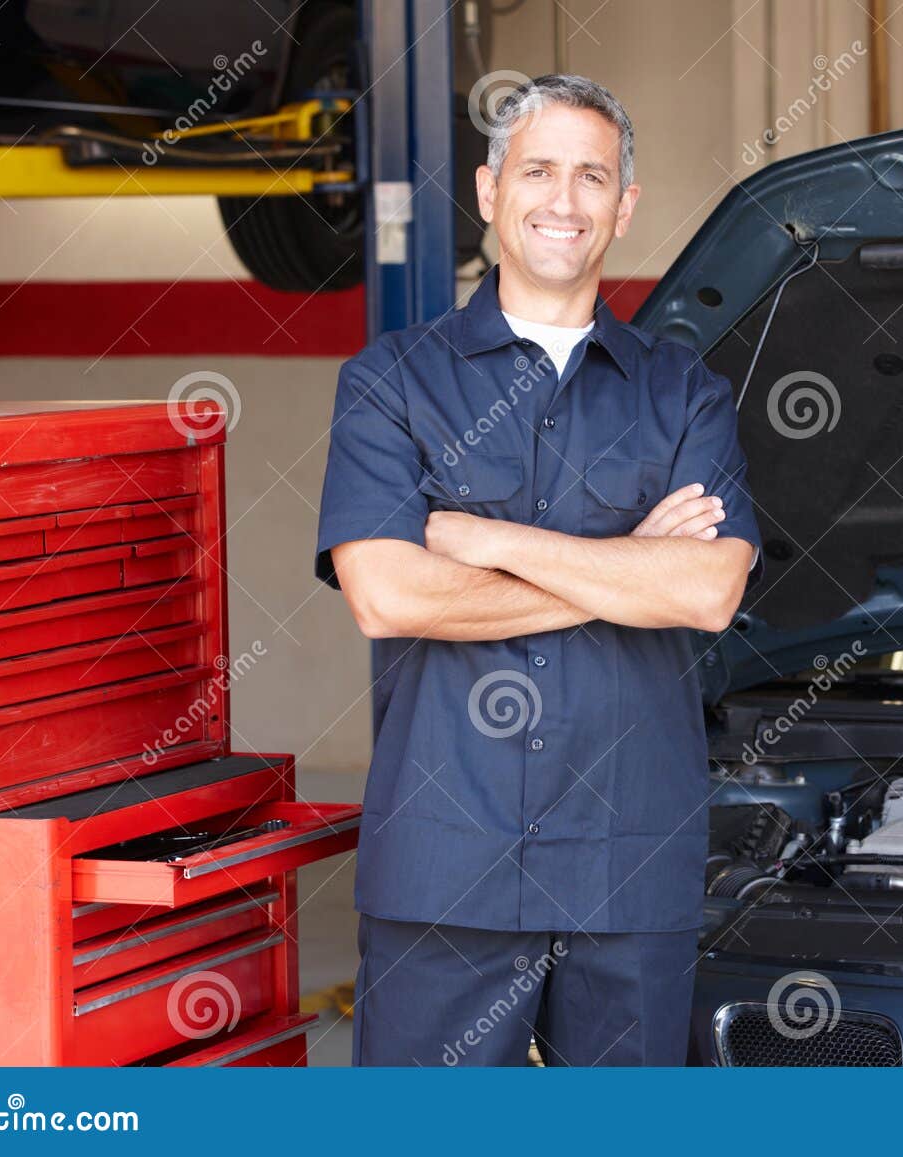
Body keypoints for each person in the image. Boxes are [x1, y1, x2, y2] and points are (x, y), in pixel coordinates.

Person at [315, 74, 761, 1066]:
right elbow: (388, 597)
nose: (564, 201)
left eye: (592, 176)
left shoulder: (683, 389)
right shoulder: (392, 379)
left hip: (631, 863)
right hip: (445, 866)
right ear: (488, 189)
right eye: (540, 171)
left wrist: (491, 540)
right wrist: (623, 566)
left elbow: (705, 589)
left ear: (625, 205)